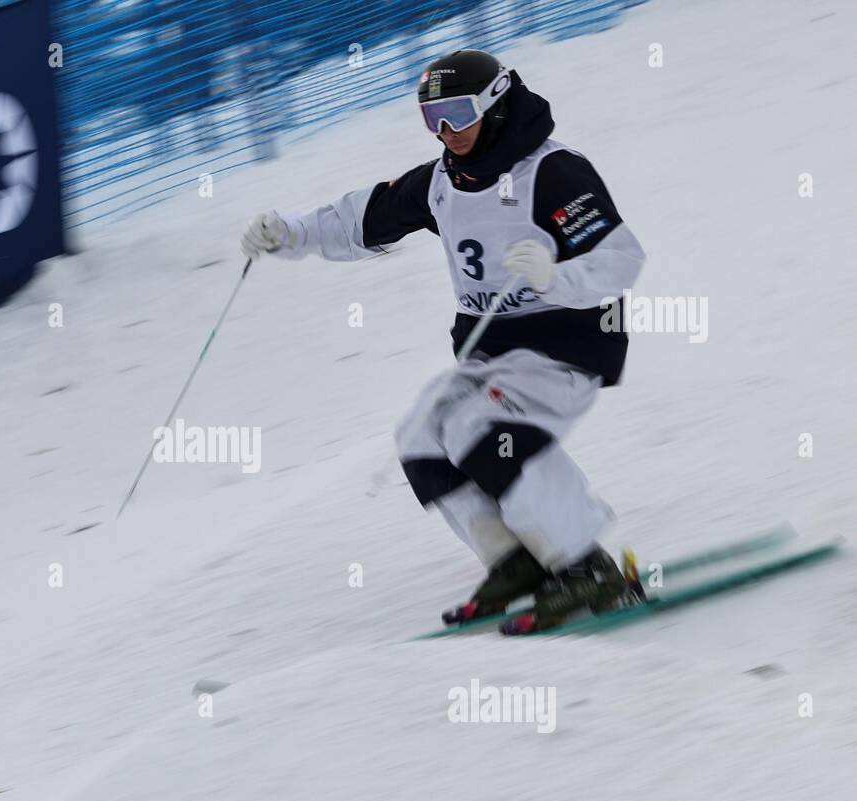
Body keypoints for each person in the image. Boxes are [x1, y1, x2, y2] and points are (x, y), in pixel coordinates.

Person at [240, 49, 645, 633]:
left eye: (456, 113)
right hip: (494, 354)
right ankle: (518, 558)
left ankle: (588, 566)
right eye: (433, 119)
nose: (447, 132)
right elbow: (362, 219)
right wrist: (290, 234)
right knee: (423, 433)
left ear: (497, 99)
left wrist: (556, 276)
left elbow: (622, 259)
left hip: (568, 344)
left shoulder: (551, 172)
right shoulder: (445, 183)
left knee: (484, 432)